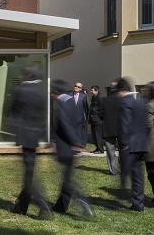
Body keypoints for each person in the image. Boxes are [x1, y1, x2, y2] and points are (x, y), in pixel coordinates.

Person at [8, 66, 52, 220]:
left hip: (24, 134)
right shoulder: (41, 93)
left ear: (28, 75)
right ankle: (21, 206)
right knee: (29, 171)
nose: (21, 77)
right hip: (34, 136)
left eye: (23, 74)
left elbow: (12, 111)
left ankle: (44, 207)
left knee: (29, 176)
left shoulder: (21, 91)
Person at [51, 79, 93, 217]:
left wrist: (74, 142)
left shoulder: (62, 104)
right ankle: (61, 206)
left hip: (66, 145)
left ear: (56, 92)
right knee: (68, 177)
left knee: (68, 180)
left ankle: (82, 202)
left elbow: (64, 124)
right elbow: (78, 122)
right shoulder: (72, 102)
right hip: (72, 144)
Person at [117, 78, 149, 212]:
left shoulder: (125, 102)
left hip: (130, 144)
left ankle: (127, 196)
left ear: (121, 90)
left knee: (127, 172)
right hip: (141, 144)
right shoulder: (140, 102)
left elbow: (125, 124)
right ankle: (138, 202)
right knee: (138, 175)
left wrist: (123, 143)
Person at [102, 82, 121, 176]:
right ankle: (124, 168)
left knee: (110, 152)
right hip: (121, 129)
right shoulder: (123, 100)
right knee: (124, 151)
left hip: (108, 129)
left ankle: (112, 169)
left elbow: (99, 114)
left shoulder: (104, 100)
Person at [71, 81, 89, 147]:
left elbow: (86, 108)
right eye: (75, 86)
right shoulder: (70, 95)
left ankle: (80, 144)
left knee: (79, 132)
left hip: (80, 117)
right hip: (71, 117)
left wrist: (86, 117)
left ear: (81, 89)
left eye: (78, 87)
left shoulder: (83, 96)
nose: (76, 87)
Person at [88, 85, 105, 154]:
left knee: (98, 135)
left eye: (92, 90)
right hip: (93, 119)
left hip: (97, 120)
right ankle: (97, 148)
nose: (90, 92)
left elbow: (102, 109)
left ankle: (100, 149)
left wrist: (97, 116)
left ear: (96, 90)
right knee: (94, 135)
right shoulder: (93, 97)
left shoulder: (100, 98)